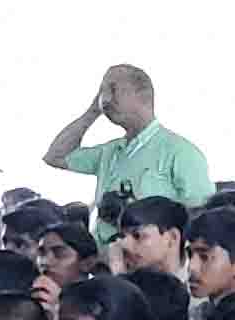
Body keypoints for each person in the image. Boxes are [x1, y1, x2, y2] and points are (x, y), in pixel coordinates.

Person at [42, 65, 209, 243]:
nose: (105, 99)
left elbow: (200, 214)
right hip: (105, 263)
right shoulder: (109, 152)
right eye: (102, 91)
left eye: (112, 89)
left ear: (142, 94)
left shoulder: (181, 152)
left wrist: (141, 216)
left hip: (151, 265)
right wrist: (92, 112)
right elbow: (55, 157)